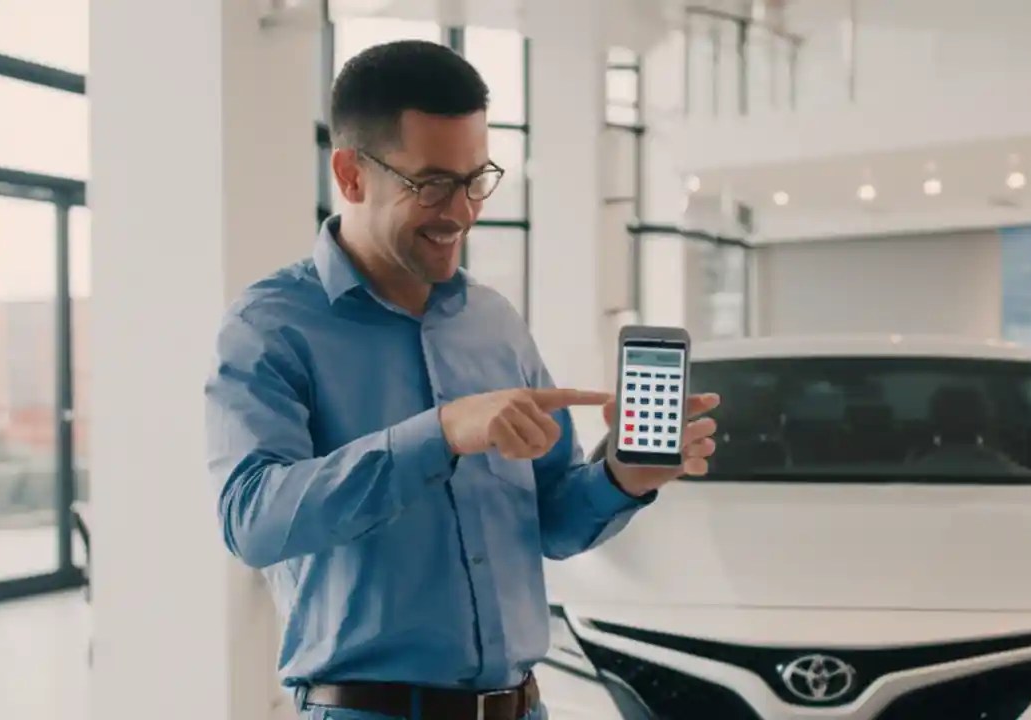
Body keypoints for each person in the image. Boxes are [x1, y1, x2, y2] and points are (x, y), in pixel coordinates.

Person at [204, 39, 720, 720]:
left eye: (475, 178)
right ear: (352, 176)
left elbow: (553, 521)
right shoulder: (271, 326)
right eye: (431, 184)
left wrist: (623, 478)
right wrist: (441, 432)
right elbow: (252, 521)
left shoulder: (493, 321)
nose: (461, 210)